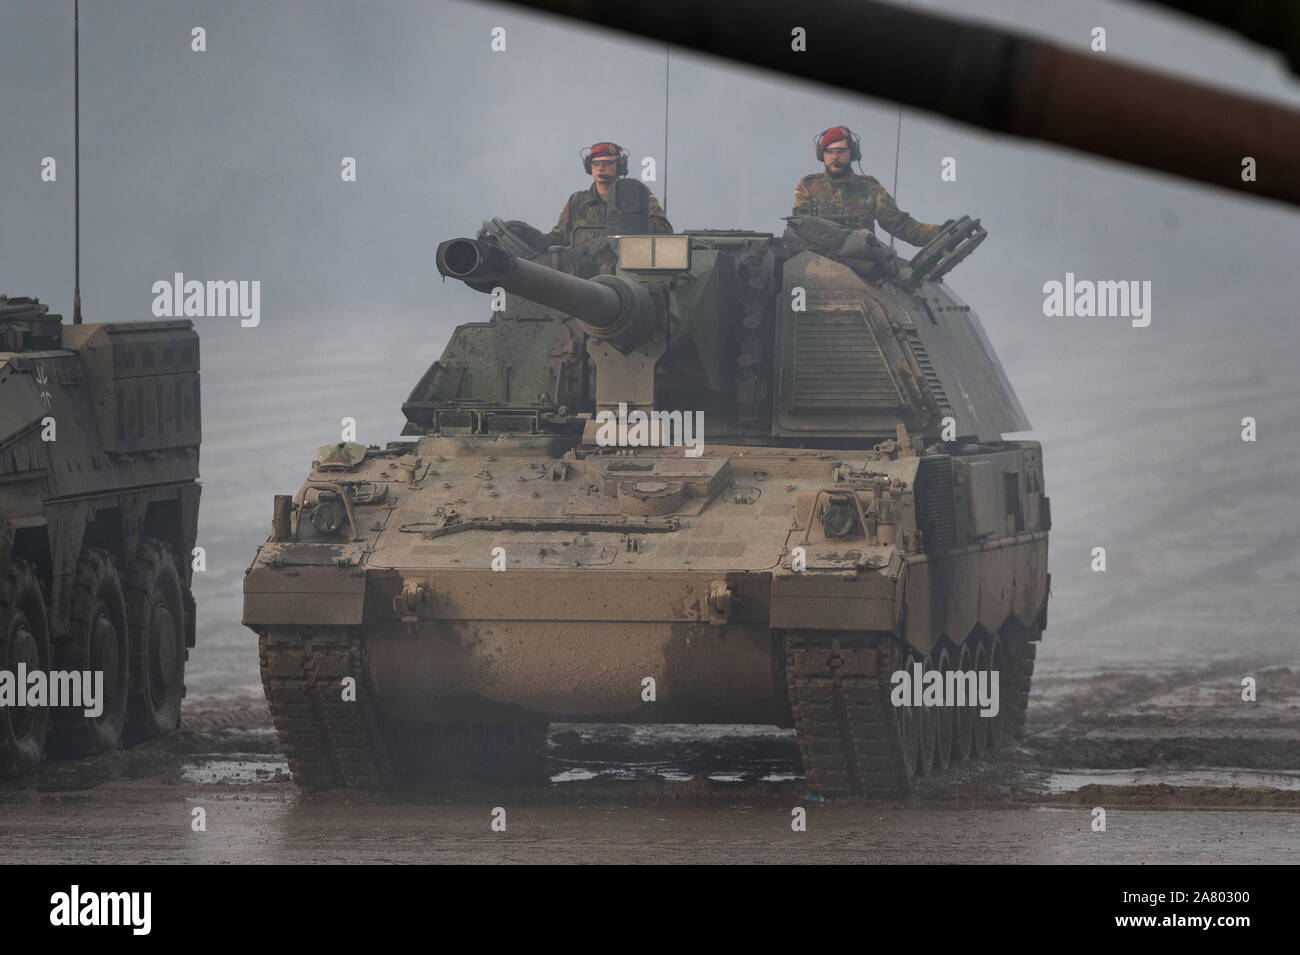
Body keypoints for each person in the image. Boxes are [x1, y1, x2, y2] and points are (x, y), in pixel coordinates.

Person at [792, 125, 942, 247]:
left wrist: (941, 233)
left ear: (852, 153)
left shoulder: (870, 189)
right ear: (821, 154)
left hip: (862, 266)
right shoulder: (808, 187)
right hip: (819, 267)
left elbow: (899, 225)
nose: (834, 157)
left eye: (840, 151)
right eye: (829, 152)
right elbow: (801, 228)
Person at [546, 141, 672, 251]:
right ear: (589, 167)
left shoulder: (636, 195)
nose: (600, 168)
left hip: (625, 267)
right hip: (582, 271)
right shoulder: (578, 202)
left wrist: (631, 225)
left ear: (620, 166)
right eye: (596, 164)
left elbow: (663, 230)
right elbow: (558, 238)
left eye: (607, 163)